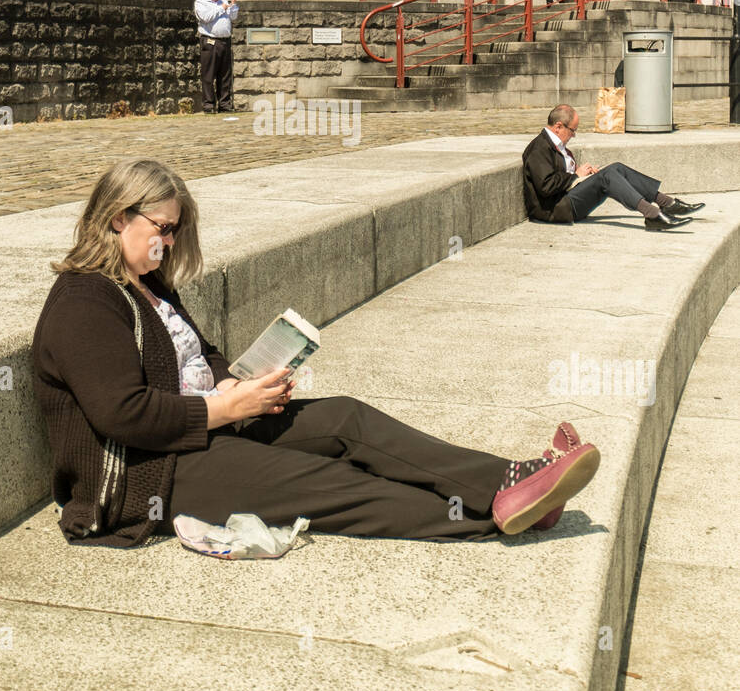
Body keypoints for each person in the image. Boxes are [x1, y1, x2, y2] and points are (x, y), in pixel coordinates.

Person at [32, 159, 602, 549]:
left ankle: (507, 479)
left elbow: (199, 358)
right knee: (329, 482)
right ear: (116, 218)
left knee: (346, 418)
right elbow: (121, 414)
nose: (172, 242)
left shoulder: (148, 284)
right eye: (164, 229)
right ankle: (493, 518)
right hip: (150, 477)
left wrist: (247, 383)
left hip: (205, 430)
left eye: (176, 230)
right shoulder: (86, 300)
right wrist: (224, 410)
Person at [522, 104, 705, 232]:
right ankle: (652, 214)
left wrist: (583, 175)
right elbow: (545, 186)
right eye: (572, 131)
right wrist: (576, 176)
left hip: (566, 200)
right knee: (608, 175)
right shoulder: (539, 148)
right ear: (558, 126)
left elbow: (558, 176)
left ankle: (667, 204)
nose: (573, 135)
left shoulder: (554, 144)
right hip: (556, 210)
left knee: (616, 168)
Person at [194, 0, 239, 113]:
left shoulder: (223, 0)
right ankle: (209, 105)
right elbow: (206, 17)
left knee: (225, 74)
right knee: (209, 74)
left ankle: (224, 104)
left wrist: (233, 4)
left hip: (225, 40)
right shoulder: (201, 3)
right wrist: (222, 8)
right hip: (210, 41)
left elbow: (233, 17)